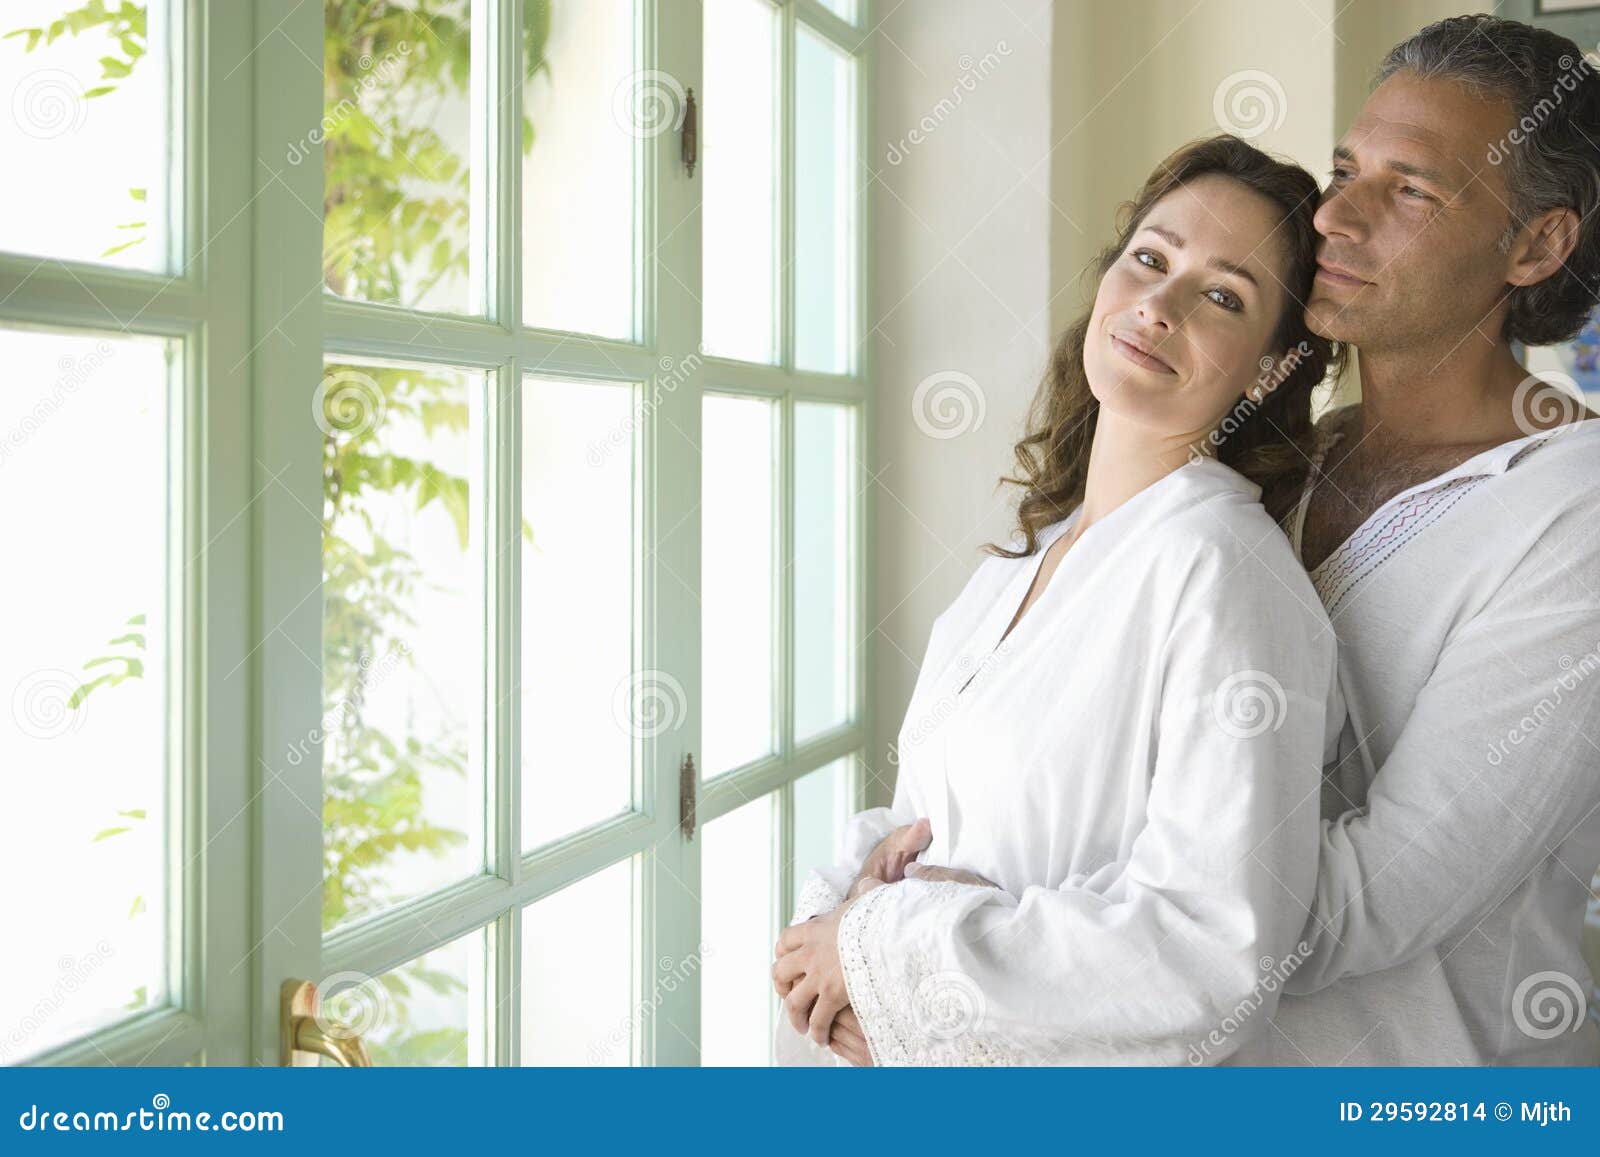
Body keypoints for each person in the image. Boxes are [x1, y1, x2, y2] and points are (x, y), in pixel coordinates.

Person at [771, 133, 1347, 1066]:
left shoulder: (1227, 575)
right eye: (1149, 260)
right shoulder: (1020, 560)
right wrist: (833, 933)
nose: (1159, 306)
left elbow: (1211, 954)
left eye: (1222, 295)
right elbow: (916, 824)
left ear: (1273, 368)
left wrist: (881, 951)